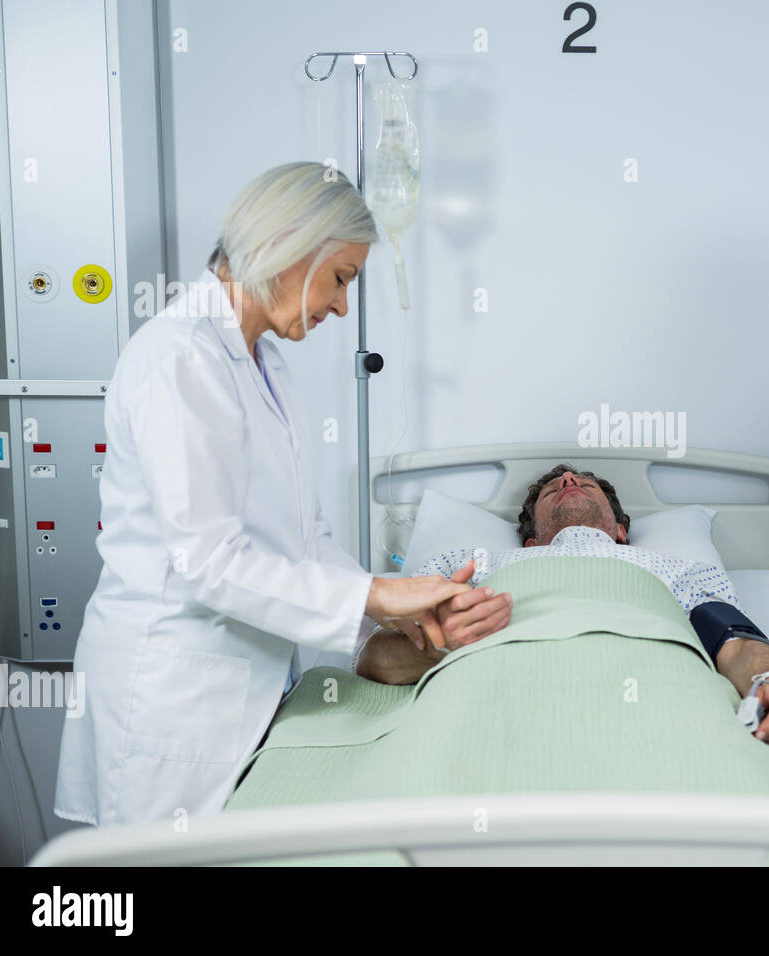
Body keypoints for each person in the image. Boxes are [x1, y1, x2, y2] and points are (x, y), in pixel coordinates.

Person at [54, 162, 485, 825]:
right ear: (287, 245)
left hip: (242, 694)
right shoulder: (180, 359)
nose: (342, 306)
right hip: (170, 699)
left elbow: (306, 539)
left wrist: (390, 619)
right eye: (342, 277)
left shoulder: (265, 364)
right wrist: (374, 595)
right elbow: (209, 562)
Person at [356, 464, 769, 745]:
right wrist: (441, 645)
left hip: (659, 704)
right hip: (495, 708)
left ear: (622, 532)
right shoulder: (472, 565)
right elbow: (374, 659)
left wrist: (768, 683)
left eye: (584, 483)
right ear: (531, 542)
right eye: (554, 488)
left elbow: (738, 642)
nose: (569, 480)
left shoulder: (679, 569)